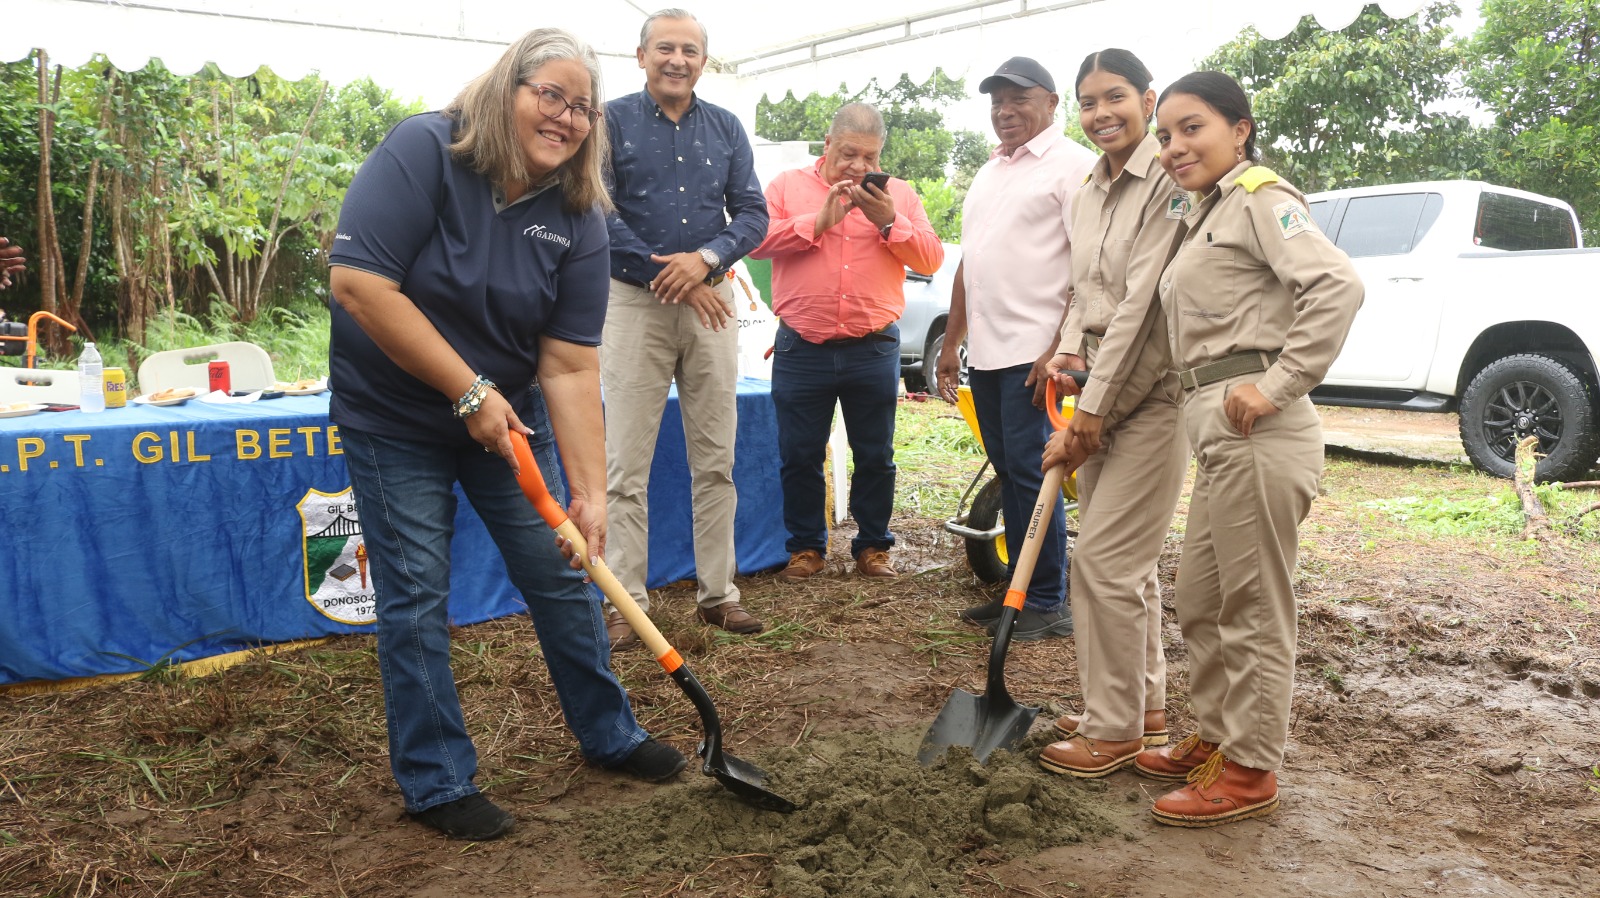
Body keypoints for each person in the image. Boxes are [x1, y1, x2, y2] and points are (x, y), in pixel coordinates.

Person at [326, 28, 686, 842]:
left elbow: (566, 365)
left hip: (506, 421)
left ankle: (611, 733)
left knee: (562, 574)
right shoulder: (425, 150)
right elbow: (359, 284)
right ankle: (437, 779)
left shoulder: (578, 213)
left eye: (583, 108)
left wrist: (588, 496)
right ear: (507, 89)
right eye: (549, 95)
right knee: (417, 595)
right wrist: (468, 390)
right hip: (394, 417)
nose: (565, 117)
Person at [1134, 71, 1362, 826]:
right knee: (1203, 598)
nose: (1173, 147)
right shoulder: (1207, 213)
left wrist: (1281, 382)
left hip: (1260, 428)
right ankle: (1219, 737)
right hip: (1216, 429)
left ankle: (1252, 769)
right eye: (1164, 134)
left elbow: (1336, 287)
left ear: (1241, 127)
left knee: (1254, 605)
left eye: (1191, 128)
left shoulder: (1263, 198)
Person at [1034, 49, 1190, 779]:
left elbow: (1142, 308)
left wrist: (1090, 413)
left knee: (1102, 562)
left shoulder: (1169, 183)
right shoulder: (1086, 190)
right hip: (1094, 388)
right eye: (1089, 102)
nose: (1103, 114)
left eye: (1116, 97)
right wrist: (1065, 357)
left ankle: (1115, 727)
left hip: (1152, 395)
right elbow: (1084, 293)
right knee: (1126, 563)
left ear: (1148, 98)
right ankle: (1143, 706)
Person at [601, 8, 770, 648]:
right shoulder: (609, 121)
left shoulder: (726, 127)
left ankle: (719, 594)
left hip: (712, 305)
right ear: (640, 55)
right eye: (665, 48)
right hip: (633, 307)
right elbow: (596, 209)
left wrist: (705, 261)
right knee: (625, 464)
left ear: (704, 61)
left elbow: (753, 214)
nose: (677, 59)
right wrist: (667, 274)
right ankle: (625, 602)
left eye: (690, 50)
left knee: (716, 458)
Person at [935, 57, 1096, 641]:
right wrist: (952, 343)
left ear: (1052, 103)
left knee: (1034, 474)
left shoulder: (1074, 168)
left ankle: (1047, 599)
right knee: (1010, 472)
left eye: (1019, 99)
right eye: (997, 102)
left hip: (1037, 355)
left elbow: (1088, 269)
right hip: (990, 352)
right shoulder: (989, 171)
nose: (1006, 111)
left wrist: (1058, 348)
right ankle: (1019, 591)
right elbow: (970, 264)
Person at [749, 103, 944, 581]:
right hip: (802, 345)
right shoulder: (787, 187)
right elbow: (754, 240)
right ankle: (806, 549)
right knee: (799, 454)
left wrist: (889, 222)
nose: (859, 166)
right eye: (849, 153)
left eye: (870, 157)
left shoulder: (897, 195)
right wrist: (818, 220)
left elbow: (933, 258)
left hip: (873, 347)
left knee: (875, 453)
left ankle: (873, 547)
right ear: (827, 142)